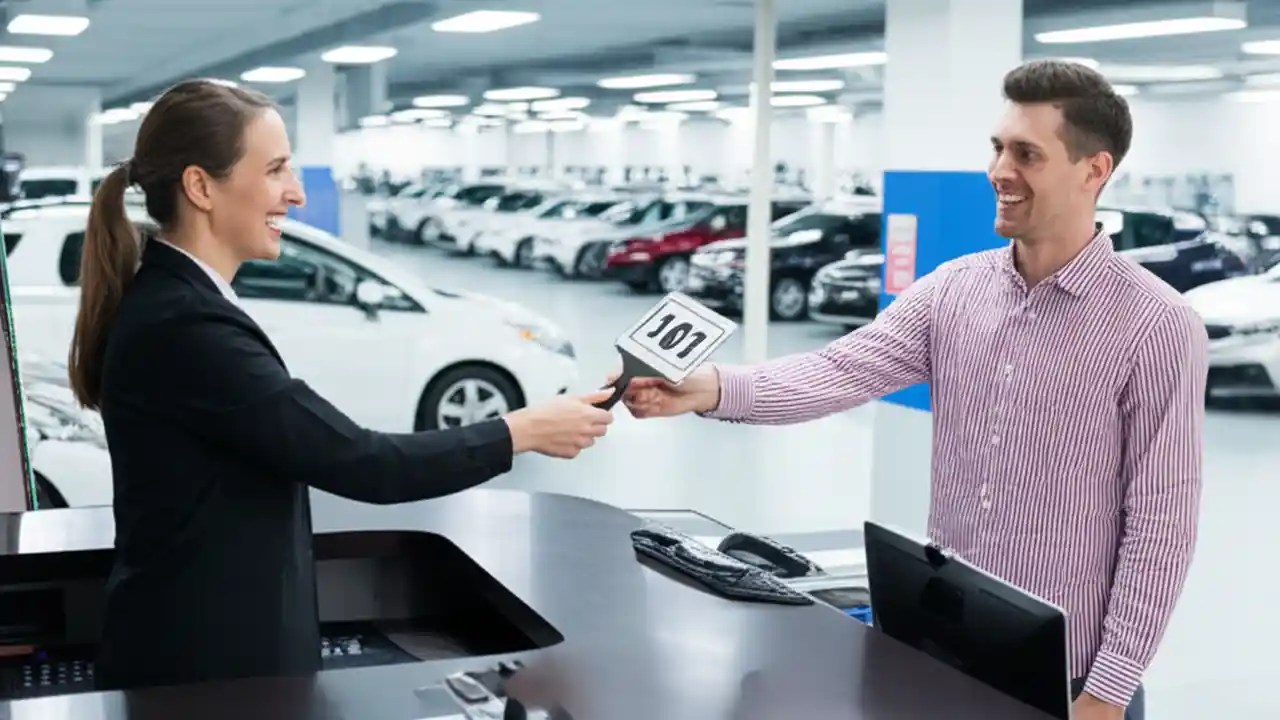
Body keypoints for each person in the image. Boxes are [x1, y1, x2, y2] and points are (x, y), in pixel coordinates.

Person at [619, 60, 1207, 720]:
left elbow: (1162, 524)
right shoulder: (954, 289)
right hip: (946, 647)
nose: (998, 172)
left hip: (1065, 682)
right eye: (997, 148)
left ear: (1093, 170)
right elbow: (840, 370)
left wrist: (1108, 690)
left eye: (1027, 154)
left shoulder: (1157, 326)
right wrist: (707, 390)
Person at [68, 79, 615, 690]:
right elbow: (366, 463)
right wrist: (522, 430)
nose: (297, 194)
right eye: (275, 170)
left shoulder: (179, 303)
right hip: (207, 670)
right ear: (201, 187)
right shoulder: (188, 324)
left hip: (206, 651)